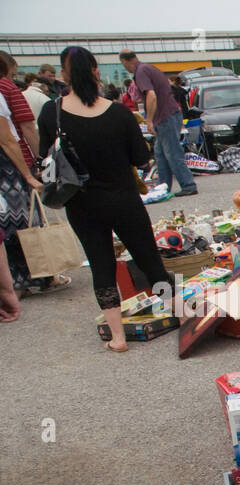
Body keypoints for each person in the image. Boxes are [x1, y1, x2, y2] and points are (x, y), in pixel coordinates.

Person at [38, 47, 177, 352]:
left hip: (82, 203)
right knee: (149, 259)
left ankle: (118, 337)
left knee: (101, 266)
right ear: (96, 73)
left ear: (64, 75)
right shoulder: (118, 112)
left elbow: (44, 156)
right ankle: (179, 316)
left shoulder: (53, 112)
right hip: (124, 198)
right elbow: (141, 158)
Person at [118, 50, 197, 198]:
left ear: (125, 61)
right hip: (169, 114)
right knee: (160, 154)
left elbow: (151, 95)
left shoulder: (140, 72)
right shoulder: (148, 68)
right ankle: (163, 187)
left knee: (172, 152)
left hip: (165, 116)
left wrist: (149, 120)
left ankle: (188, 185)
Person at [0, 92, 47, 313]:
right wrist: (28, 175)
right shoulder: (4, 92)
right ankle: (18, 283)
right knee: (17, 224)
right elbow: (7, 138)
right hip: (6, 168)